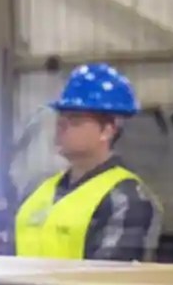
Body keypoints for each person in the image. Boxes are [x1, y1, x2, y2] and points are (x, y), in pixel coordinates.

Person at [14, 63, 161, 261]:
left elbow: (108, 279)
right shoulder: (38, 190)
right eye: (61, 120)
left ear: (107, 131)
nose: (61, 127)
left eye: (75, 121)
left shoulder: (125, 198)